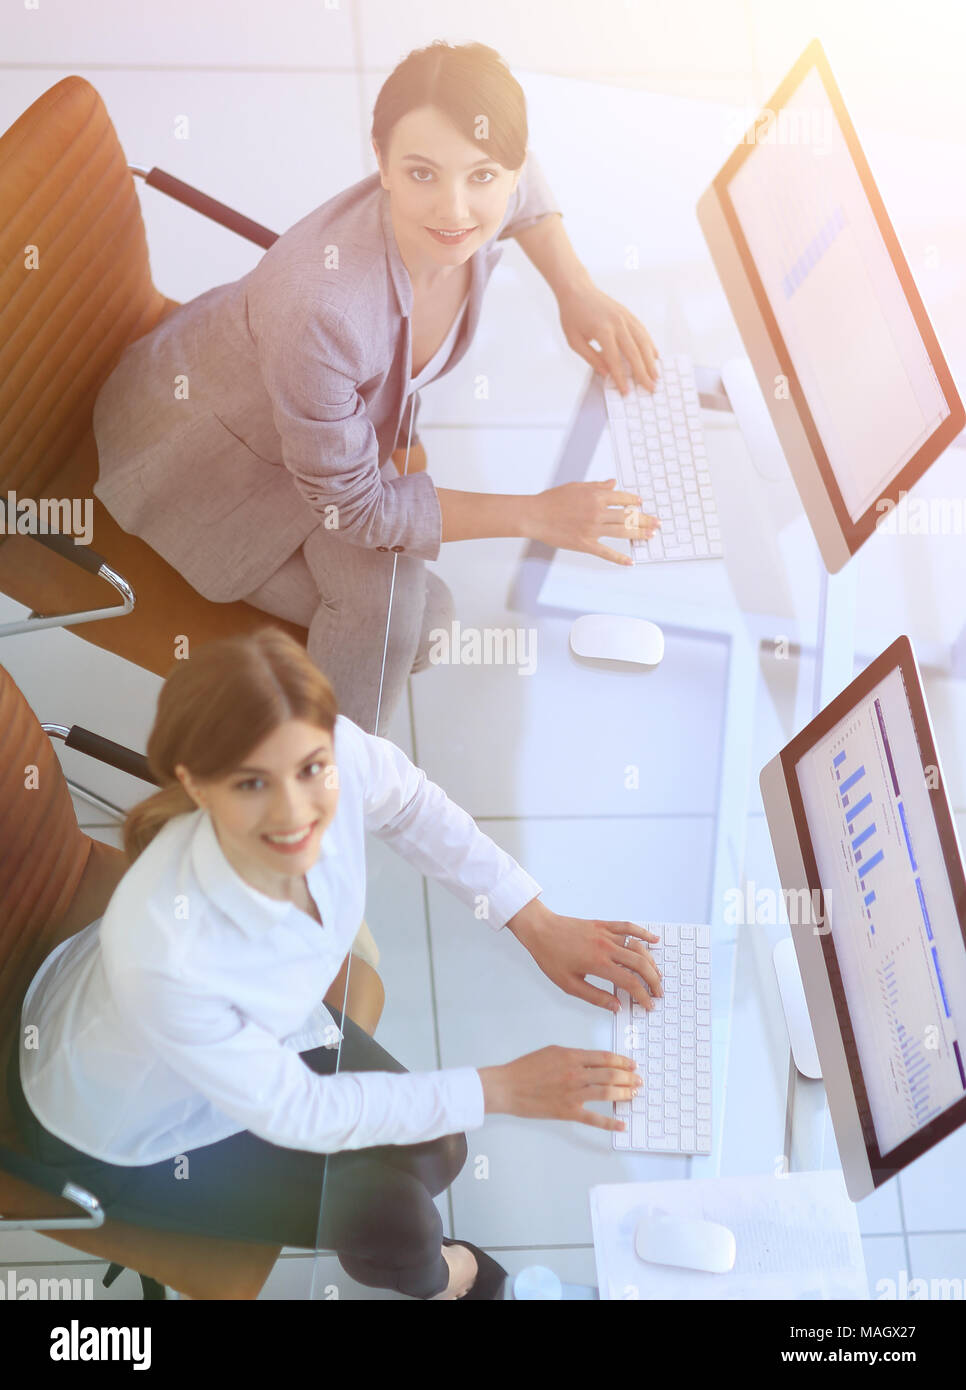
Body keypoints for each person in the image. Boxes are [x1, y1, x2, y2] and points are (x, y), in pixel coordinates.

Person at [10, 628, 663, 1300]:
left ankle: (432, 1260)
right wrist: (506, 1088)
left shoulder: (328, 750)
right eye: (253, 784)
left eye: (310, 770)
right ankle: (457, 1281)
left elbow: (408, 803)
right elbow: (302, 1112)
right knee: (397, 1219)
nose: (296, 813)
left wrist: (535, 921)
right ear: (197, 786)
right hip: (119, 1127)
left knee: (442, 1151)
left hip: (241, 1041)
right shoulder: (168, 951)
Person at [92, 40, 661, 736]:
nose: (455, 212)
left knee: (423, 620)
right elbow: (357, 510)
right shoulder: (322, 308)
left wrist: (577, 291)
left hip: (311, 429)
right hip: (200, 459)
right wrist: (538, 515)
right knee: (404, 619)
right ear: (380, 159)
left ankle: (335, 772)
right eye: (422, 173)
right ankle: (330, 792)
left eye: (481, 175)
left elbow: (526, 182)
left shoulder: (485, 188)